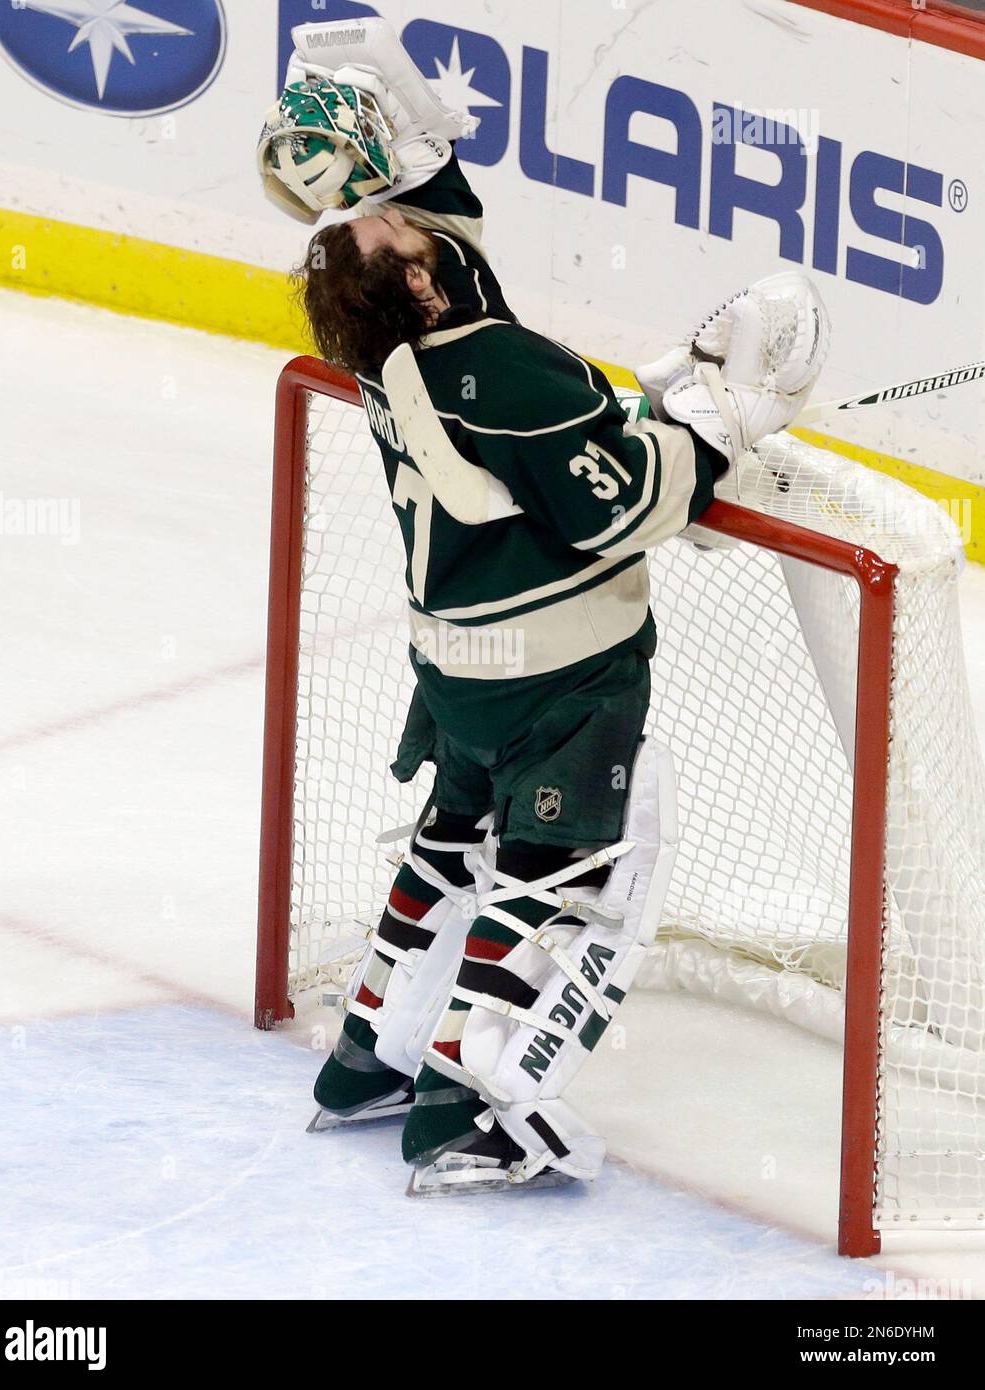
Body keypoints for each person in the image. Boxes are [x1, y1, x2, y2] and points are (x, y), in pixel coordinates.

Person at [259, 17, 828, 1194]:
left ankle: (372, 1056)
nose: (404, 206)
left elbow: (440, 231)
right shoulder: (506, 367)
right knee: (558, 880)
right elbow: (622, 511)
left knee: (448, 852)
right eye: (394, 217)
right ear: (419, 271)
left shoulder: (386, 341)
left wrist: (365, 97)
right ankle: (471, 1106)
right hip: (558, 686)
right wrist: (719, 423)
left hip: (456, 674)